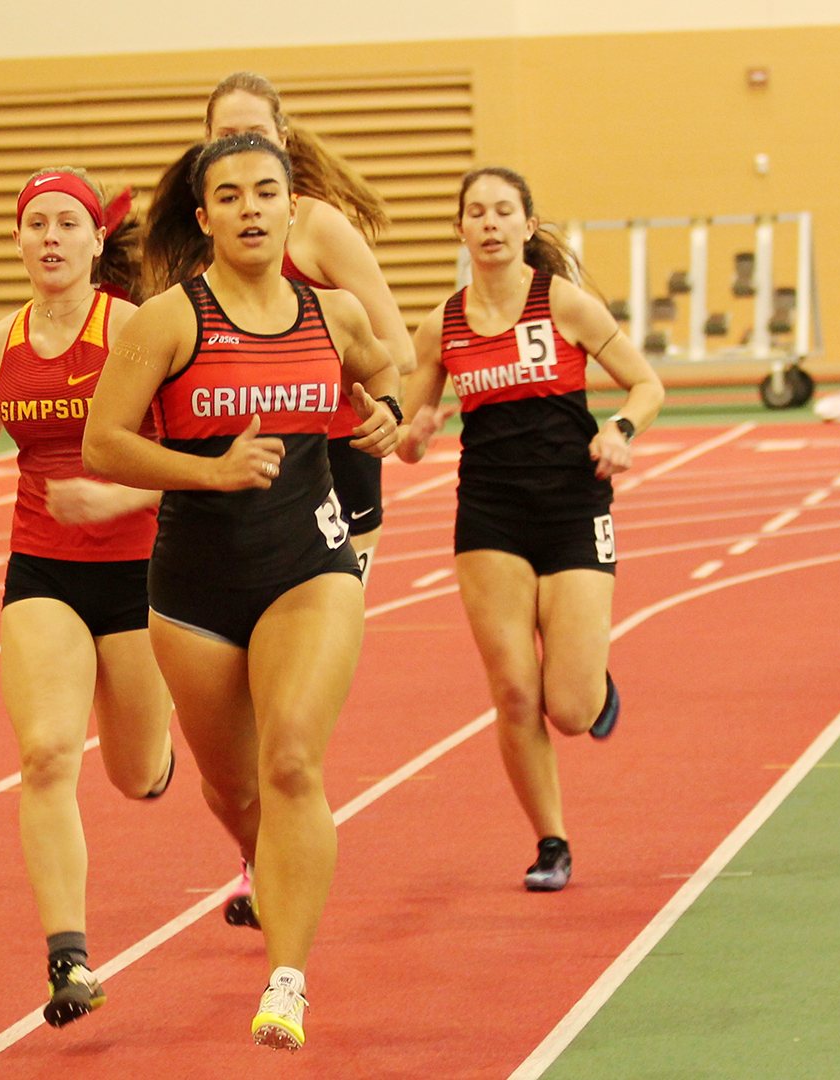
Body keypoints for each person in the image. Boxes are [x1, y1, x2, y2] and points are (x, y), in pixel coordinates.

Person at [83, 133, 401, 1052]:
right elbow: (106, 443)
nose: (253, 209)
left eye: (268, 192)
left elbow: (382, 376)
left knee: (295, 759)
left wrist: (378, 418)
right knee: (237, 791)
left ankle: (287, 982)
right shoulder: (167, 322)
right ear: (205, 216)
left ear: (293, 207)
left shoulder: (332, 314)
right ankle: (267, 870)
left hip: (309, 564)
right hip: (193, 589)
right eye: (232, 196)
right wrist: (212, 473)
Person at [0, 169, 173, 1028]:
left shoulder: (138, 329)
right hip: (42, 564)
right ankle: (67, 958)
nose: (51, 239)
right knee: (44, 755)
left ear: (96, 240)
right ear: (18, 240)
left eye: (67, 223)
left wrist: (120, 496)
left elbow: (197, 457)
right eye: (36, 224)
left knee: (136, 773)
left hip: (142, 566)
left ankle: (158, 764)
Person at [396, 166, 664, 892]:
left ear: (526, 225)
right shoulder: (441, 326)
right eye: (475, 212)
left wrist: (620, 429)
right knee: (515, 691)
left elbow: (647, 383)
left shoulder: (565, 305)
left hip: (574, 505)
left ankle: (594, 687)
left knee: (568, 709)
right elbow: (408, 437)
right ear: (459, 228)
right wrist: (416, 429)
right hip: (490, 514)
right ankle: (551, 840)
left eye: (502, 211)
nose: (488, 223)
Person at [145, 72, 416, 584]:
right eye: (226, 136)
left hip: (329, 456)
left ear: (283, 140)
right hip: (231, 452)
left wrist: (306, 379)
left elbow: (397, 350)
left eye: (256, 133)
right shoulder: (206, 231)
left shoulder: (317, 226)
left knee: (324, 634)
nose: (242, 146)